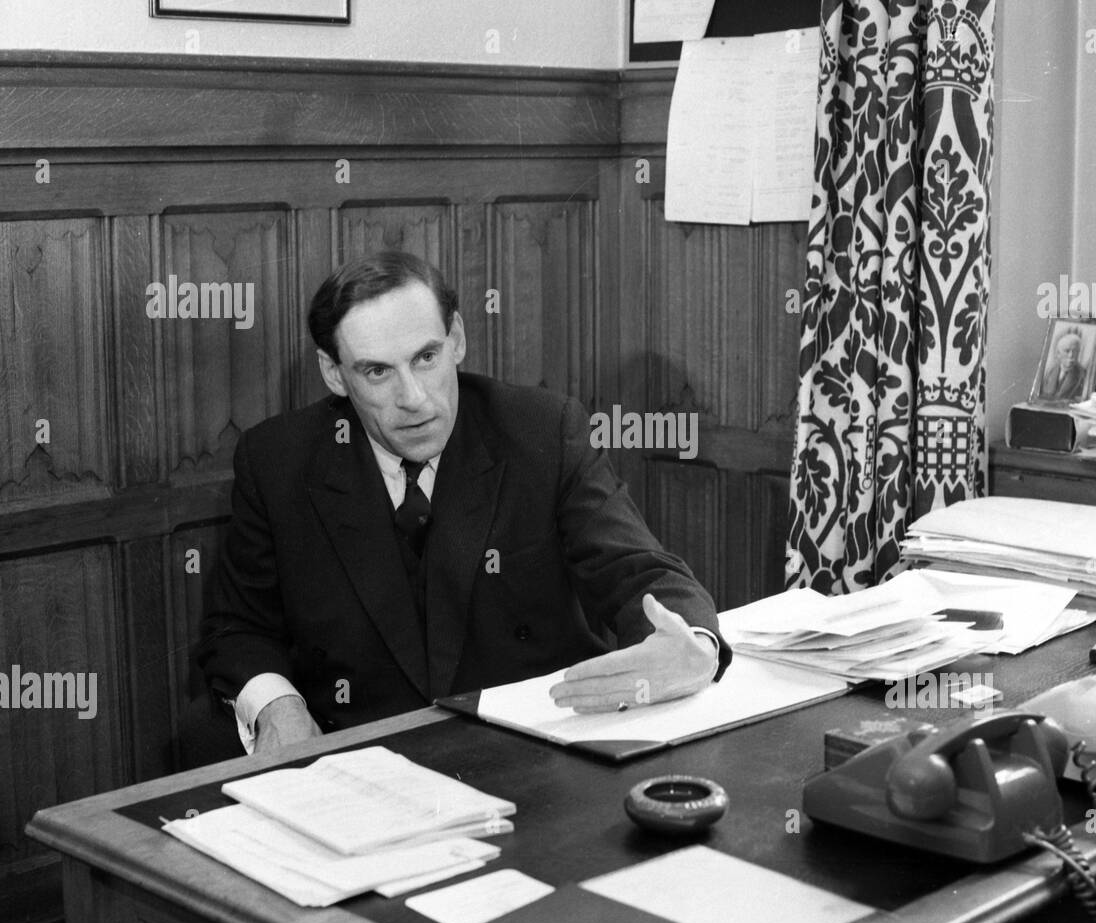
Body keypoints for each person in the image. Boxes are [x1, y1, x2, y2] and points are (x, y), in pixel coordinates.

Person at [198, 252, 729, 753]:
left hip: (535, 756)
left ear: (456, 339)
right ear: (334, 372)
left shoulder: (542, 431)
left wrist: (695, 646)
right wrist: (279, 706)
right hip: (365, 763)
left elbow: (640, 572)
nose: (414, 399)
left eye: (426, 357)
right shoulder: (277, 461)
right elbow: (237, 628)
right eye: (377, 372)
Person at [1040, 329, 1087, 400]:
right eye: (1067, 351)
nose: (1071, 355)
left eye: (1075, 351)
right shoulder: (1048, 371)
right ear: (1058, 353)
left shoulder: (1083, 375)